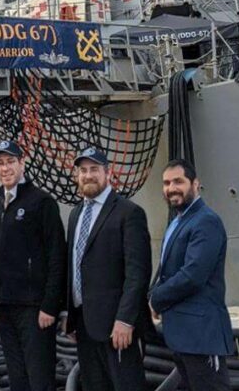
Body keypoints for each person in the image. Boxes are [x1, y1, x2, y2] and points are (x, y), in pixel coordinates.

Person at [65, 147, 153, 390]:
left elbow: (138, 273)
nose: (88, 175)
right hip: (85, 324)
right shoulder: (75, 215)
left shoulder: (129, 213)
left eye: (94, 169)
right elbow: (74, 266)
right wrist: (71, 318)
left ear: (108, 172)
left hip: (117, 327)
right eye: (83, 170)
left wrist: (125, 320)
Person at [0, 140, 66, 391]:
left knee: (39, 379)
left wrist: (50, 306)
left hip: (34, 310)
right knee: (18, 379)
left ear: (22, 163)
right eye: (0, 163)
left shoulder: (42, 203)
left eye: (10, 161)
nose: (5, 168)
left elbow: (57, 257)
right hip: (7, 309)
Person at [149, 159, 234, 391]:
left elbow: (193, 275)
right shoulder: (179, 222)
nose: (171, 188)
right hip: (183, 334)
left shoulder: (206, 221)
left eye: (179, 181)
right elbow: (167, 272)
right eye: (166, 183)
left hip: (201, 335)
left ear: (195, 184)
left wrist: (156, 299)